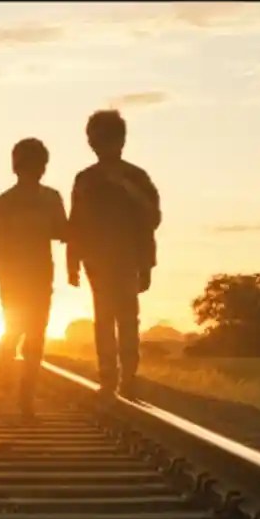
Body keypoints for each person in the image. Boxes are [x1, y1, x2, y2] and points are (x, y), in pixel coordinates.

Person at [66, 109, 161, 399]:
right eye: (97, 140)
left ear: (120, 141)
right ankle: (110, 377)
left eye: (107, 139)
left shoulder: (135, 177)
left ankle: (127, 377)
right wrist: (73, 262)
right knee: (106, 318)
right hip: (99, 260)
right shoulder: (85, 179)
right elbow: (76, 223)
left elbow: (151, 219)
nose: (102, 145)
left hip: (128, 258)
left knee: (125, 318)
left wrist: (147, 265)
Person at [0, 138, 67, 419]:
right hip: (30, 277)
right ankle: (19, 393)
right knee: (29, 335)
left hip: (22, 278)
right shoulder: (47, 199)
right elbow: (63, 233)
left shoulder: (2, 203)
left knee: (20, 333)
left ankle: (13, 390)